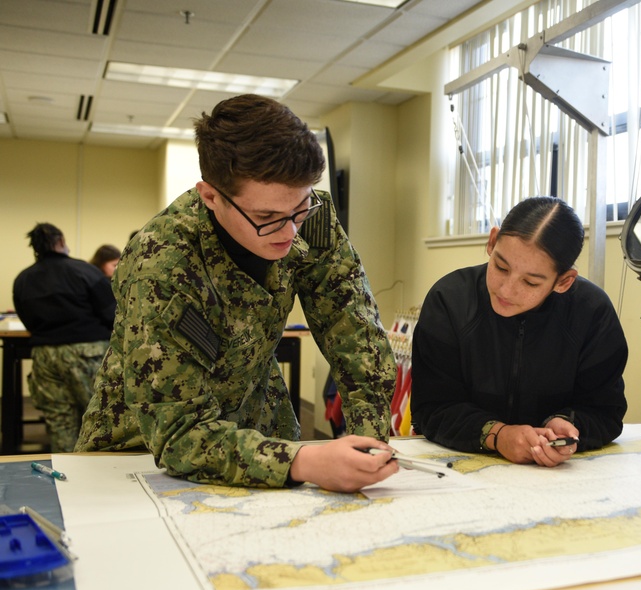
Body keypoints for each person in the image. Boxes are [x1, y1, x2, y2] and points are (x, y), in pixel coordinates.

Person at [75, 94, 399, 492]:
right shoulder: (162, 264)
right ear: (211, 196)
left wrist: (370, 444)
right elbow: (178, 435)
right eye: (266, 218)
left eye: (300, 208)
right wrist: (302, 460)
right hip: (141, 454)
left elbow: (354, 329)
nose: (289, 232)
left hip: (257, 430)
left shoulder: (307, 214)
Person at [411, 196, 628, 467]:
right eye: (501, 267)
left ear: (563, 281)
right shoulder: (450, 300)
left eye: (530, 282)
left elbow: (606, 411)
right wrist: (497, 435)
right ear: (492, 242)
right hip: (460, 470)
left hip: (555, 479)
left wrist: (567, 425)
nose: (506, 290)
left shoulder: (591, 312)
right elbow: (432, 408)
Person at [13, 223, 116, 452]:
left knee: (60, 423)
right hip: (87, 353)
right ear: (60, 242)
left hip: (45, 356)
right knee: (99, 418)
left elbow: (26, 319)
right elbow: (111, 312)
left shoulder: (24, 279)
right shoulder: (84, 271)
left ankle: (64, 475)